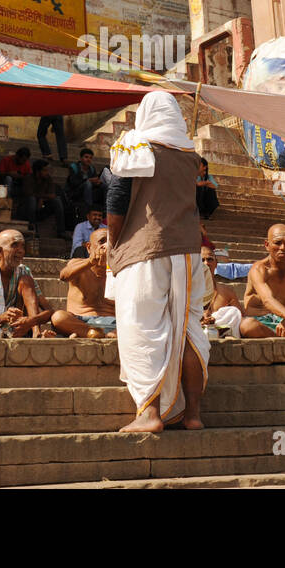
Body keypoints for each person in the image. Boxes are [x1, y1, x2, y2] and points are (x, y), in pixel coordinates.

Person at [105, 90, 206, 433]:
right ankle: (192, 414)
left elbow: (117, 197)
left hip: (146, 251)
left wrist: (112, 245)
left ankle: (149, 414)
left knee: (142, 328)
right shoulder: (190, 153)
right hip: (190, 252)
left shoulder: (135, 142)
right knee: (190, 330)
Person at [0, 228, 55, 338]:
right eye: (15, 245)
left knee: (26, 280)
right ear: (0, 252)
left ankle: (37, 334)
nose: (21, 251)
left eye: (22, 246)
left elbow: (49, 311)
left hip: (19, 327)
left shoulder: (24, 271)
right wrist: (3, 317)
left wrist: (30, 321)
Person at [52, 227, 117, 338]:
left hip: (113, 323)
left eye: (110, 242)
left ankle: (96, 334)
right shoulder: (78, 264)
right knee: (58, 317)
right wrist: (91, 261)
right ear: (88, 247)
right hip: (80, 321)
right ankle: (97, 334)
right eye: (102, 241)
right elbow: (63, 276)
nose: (106, 246)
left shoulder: (119, 271)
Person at [200, 245, 242, 336]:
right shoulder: (186, 291)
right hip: (195, 330)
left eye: (210, 259)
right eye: (202, 260)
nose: (206, 263)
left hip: (220, 329)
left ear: (216, 264)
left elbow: (239, 316)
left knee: (233, 312)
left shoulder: (227, 291)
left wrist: (214, 319)